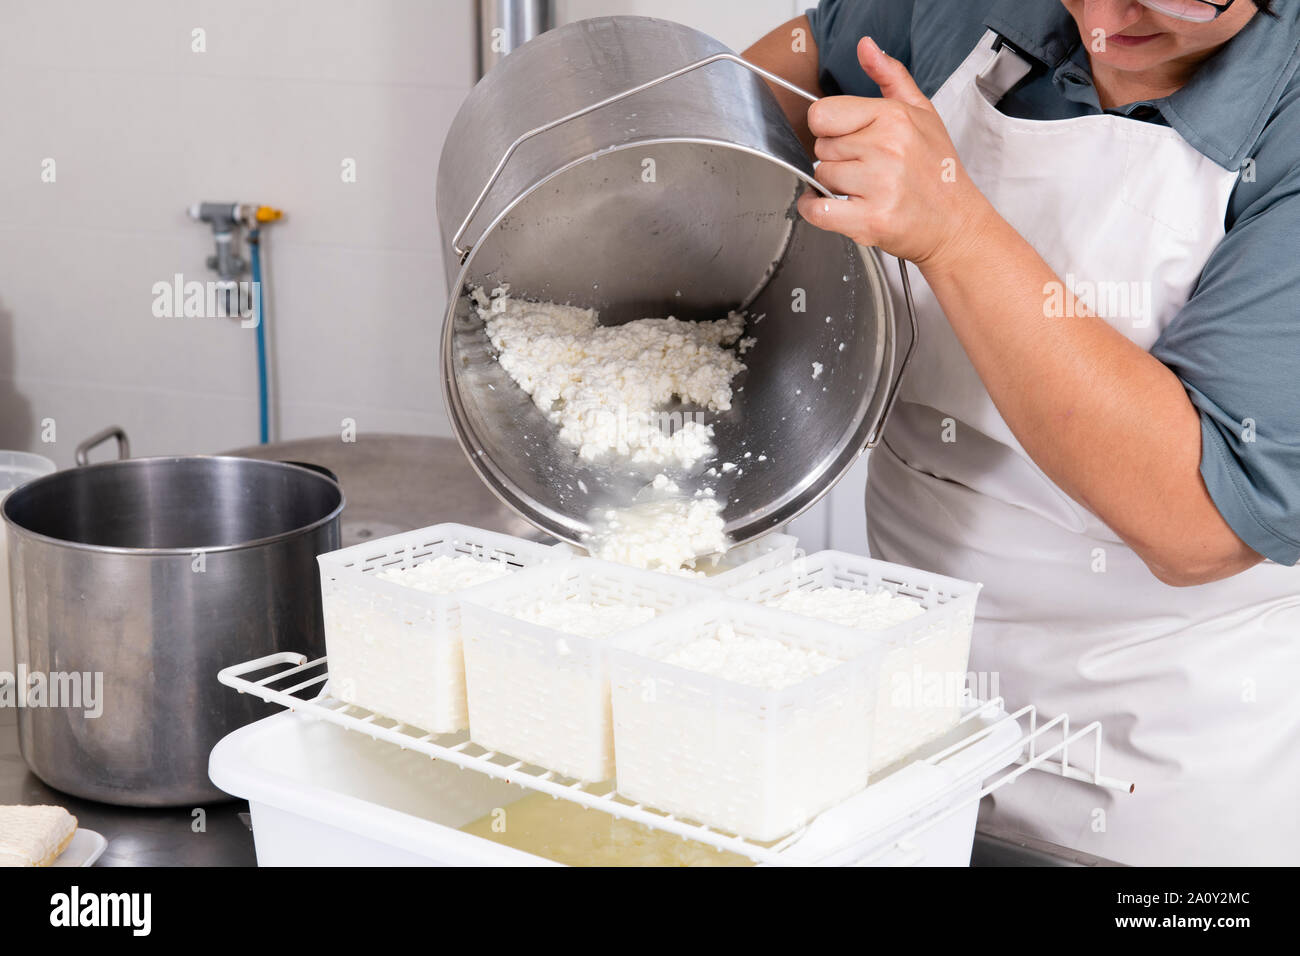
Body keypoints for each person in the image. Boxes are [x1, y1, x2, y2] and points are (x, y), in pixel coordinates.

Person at [744, 0, 1300, 865]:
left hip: (1152, 794)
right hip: (900, 746)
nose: (1107, 23)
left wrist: (955, 228)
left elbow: (1201, 520)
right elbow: (789, 65)